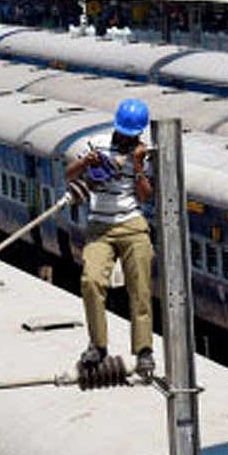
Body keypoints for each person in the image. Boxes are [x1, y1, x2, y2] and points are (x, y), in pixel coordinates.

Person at [65, 98, 155, 377]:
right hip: (99, 226)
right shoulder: (96, 143)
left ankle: (143, 351)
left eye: (132, 136)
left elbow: (145, 196)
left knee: (139, 288)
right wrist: (85, 162)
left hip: (131, 223)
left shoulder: (144, 153)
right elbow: (70, 176)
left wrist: (138, 166)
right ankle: (98, 345)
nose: (127, 140)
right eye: (124, 135)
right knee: (91, 281)